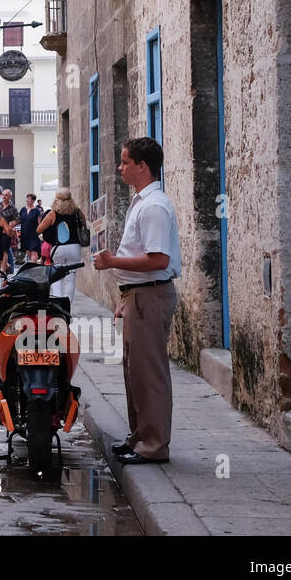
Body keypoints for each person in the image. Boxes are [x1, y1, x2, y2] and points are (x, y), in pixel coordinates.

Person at [94, 137, 182, 466]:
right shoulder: (141, 202)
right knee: (135, 372)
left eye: (125, 162)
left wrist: (113, 262)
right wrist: (125, 298)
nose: (120, 168)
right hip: (138, 296)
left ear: (142, 166)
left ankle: (154, 444)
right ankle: (140, 437)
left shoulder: (154, 206)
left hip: (150, 295)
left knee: (149, 373)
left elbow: (158, 260)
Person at [37, 187, 86, 303]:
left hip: (58, 248)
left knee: (57, 276)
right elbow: (83, 223)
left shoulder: (52, 214)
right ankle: (67, 305)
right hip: (74, 247)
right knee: (71, 278)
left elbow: (39, 230)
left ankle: (57, 304)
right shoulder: (77, 212)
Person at [21, 194, 44, 262]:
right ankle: (33, 269)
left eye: (29, 198)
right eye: (27, 198)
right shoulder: (23, 210)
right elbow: (18, 220)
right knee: (28, 253)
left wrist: (41, 232)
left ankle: (32, 268)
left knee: (34, 252)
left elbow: (40, 222)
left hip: (34, 235)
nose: (27, 200)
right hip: (25, 235)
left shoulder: (36, 211)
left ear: (33, 200)